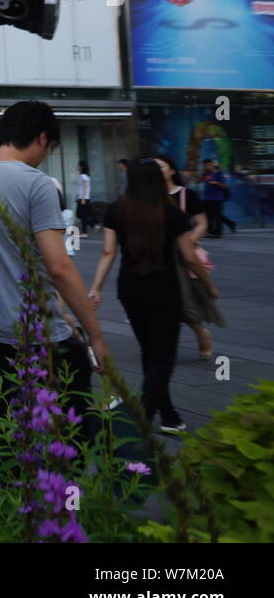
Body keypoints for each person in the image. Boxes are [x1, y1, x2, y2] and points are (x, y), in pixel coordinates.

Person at [0, 100, 109, 460]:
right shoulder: (36, 184)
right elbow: (59, 268)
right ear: (42, 138)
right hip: (40, 334)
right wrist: (94, 333)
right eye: (47, 149)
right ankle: (64, 501)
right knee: (70, 418)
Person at [88, 159, 219, 435]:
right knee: (163, 357)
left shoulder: (116, 210)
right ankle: (142, 416)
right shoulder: (172, 214)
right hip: (164, 290)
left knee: (150, 352)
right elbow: (190, 258)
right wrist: (208, 286)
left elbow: (108, 252)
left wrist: (96, 287)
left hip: (130, 290)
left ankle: (169, 416)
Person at [155, 155, 218, 359]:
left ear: (172, 170)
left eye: (161, 166)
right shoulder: (148, 196)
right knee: (159, 300)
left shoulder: (186, 195)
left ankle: (200, 331)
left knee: (183, 301)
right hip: (155, 254)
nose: (157, 170)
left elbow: (202, 223)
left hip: (181, 255)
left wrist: (189, 242)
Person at [198, 159, 235, 237]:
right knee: (208, 216)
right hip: (206, 199)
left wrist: (216, 183)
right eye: (206, 166)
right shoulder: (206, 174)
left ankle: (218, 233)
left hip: (217, 199)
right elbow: (198, 181)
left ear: (213, 165)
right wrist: (202, 174)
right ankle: (212, 231)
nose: (207, 167)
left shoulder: (219, 173)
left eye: (209, 165)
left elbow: (225, 185)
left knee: (217, 216)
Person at [75, 161, 93, 234]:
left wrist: (83, 198)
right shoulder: (82, 176)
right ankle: (92, 225)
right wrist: (77, 196)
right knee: (80, 215)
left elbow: (85, 187)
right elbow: (80, 188)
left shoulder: (84, 176)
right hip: (82, 197)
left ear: (81, 167)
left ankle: (84, 232)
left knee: (82, 215)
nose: (77, 167)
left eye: (78, 166)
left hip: (84, 198)